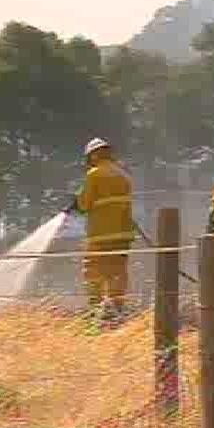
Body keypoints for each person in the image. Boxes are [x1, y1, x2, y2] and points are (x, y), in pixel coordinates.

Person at [65, 138, 135, 325]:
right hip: (123, 235)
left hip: (101, 235)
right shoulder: (123, 175)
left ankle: (96, 315)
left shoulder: (94, 174)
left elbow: (85, 204)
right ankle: (116, 313)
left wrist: (76, 202)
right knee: (117, 274)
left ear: (93, 155)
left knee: (93, 273)